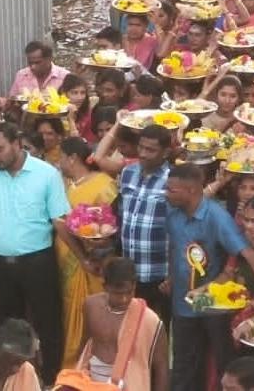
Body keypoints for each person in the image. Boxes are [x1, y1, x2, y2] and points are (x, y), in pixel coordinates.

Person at [0, 122, 71, 384]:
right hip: (0, 263)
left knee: (47, 323)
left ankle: (51, 380)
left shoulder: (46, 174)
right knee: (6, 325)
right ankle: (9, 381)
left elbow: (59, 221)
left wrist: (83, 257)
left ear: (17, 143)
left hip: (38, 262)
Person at [164, 163, 254, 390]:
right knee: (184, 365)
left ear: (192, 191)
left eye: (171, 190)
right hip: (182, 303)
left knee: (223, 363)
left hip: (212, 305)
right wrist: (171, 278)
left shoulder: (217, 217)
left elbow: (247, 252)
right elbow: (175, 249)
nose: (166, 194)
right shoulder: (172, 212)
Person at [59, 257, 169, 391]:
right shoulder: (91, 305)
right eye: (117, 293)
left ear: (134, 286)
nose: (124, 299)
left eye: (129, 292)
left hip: (129, 385)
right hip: (91, 381)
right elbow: (85, 344)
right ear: (105, 286)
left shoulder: (149, 320)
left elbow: (161, 367)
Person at [56, 137, 119, 366]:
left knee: (89, 314)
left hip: (93, 262)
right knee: (66, 314)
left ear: (72, 158)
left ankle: (89, 366)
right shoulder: (62, 183)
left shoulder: (103, 184)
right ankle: (70, 368)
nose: (58, 162)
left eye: (61, 157)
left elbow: (110, 222)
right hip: (64, 260)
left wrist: (92, 248)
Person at [117, 123, 174, 325]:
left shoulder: (174, 181)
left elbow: (182, 231)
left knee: (158, 332)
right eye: (141, 147)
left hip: (160, 275)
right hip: (130, 272)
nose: (142, 154)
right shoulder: (128, 173)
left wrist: (173, 275)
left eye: (150, 150)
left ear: (166, 152)